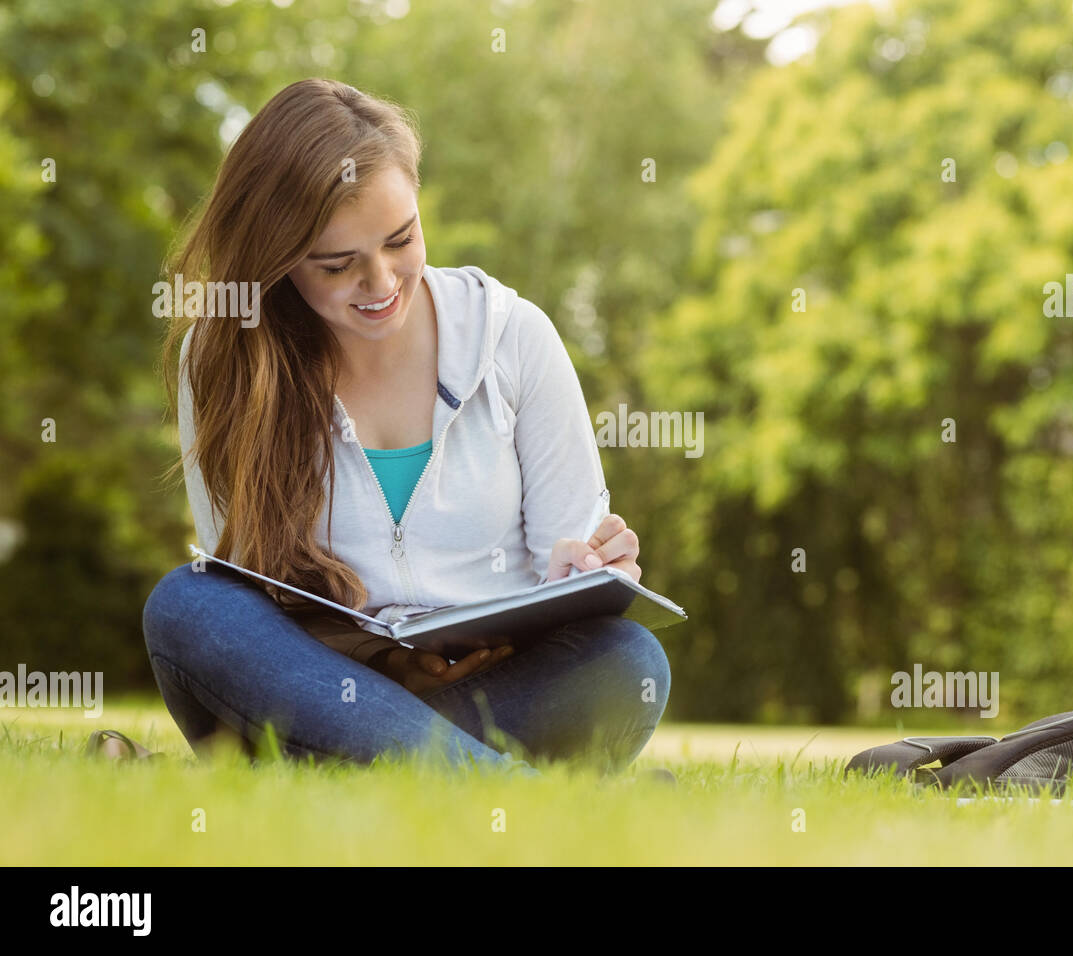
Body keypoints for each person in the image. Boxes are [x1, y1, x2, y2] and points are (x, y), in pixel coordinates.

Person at [126, 78, 671, 777]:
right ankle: (512, 792)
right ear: (279, 259)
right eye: (338, 264)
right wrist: (386, 664)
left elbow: (566, 566)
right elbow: (250, 590)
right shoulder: (224, 359)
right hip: (312, 688)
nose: (381, 281)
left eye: (400, 239)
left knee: (627, 661)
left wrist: (590, 570)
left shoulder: (515, 338)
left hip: (491, 690)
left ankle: (339, 775)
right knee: (190, 606)